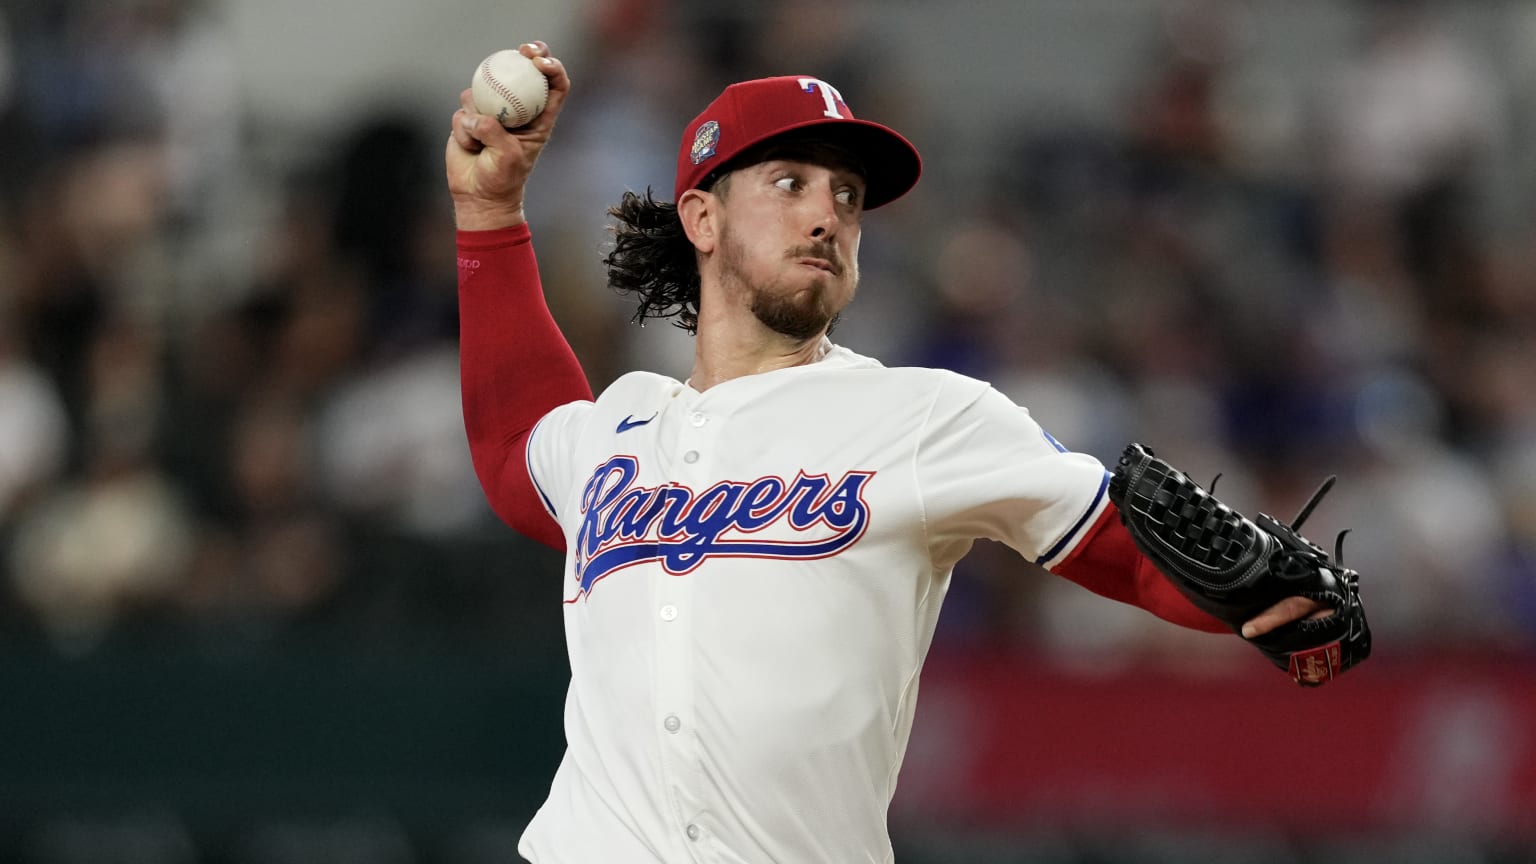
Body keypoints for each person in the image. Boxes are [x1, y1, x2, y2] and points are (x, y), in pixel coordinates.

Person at [447, 42, 1342, 864]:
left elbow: (1120, 543)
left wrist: (1263, 603)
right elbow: (515, 442)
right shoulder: (619, 426)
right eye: (790, 182)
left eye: (847, 196)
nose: (827, 216)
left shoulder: (922, 415)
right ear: (702, 218)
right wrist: (489, 215)